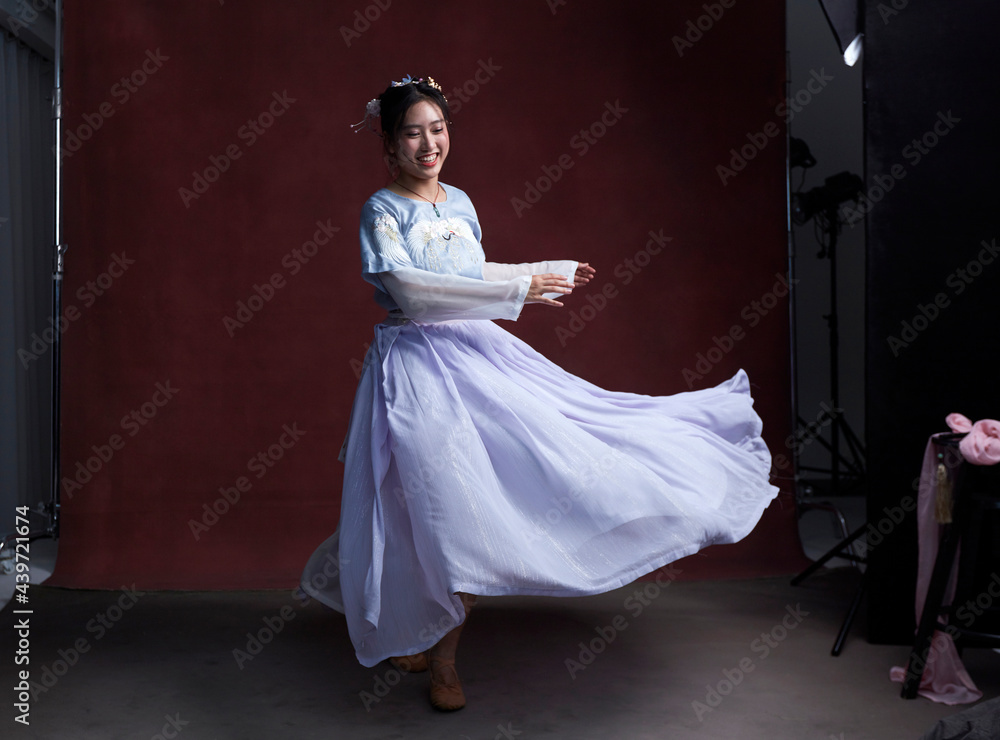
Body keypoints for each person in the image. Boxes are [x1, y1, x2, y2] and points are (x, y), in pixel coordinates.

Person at [301, 75, 778, 711]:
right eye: (412, 132)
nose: (428, 143)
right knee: (414, 502)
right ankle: (409, 623)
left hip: (477, 357)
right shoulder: (382, 210)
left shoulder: (461, 201)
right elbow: (413, 293)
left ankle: (443, 660)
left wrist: (540, 272)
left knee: (467, 501)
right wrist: (515, 294)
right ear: (389, 146)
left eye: (437, 129)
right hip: (413, 367)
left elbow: (471, 274)